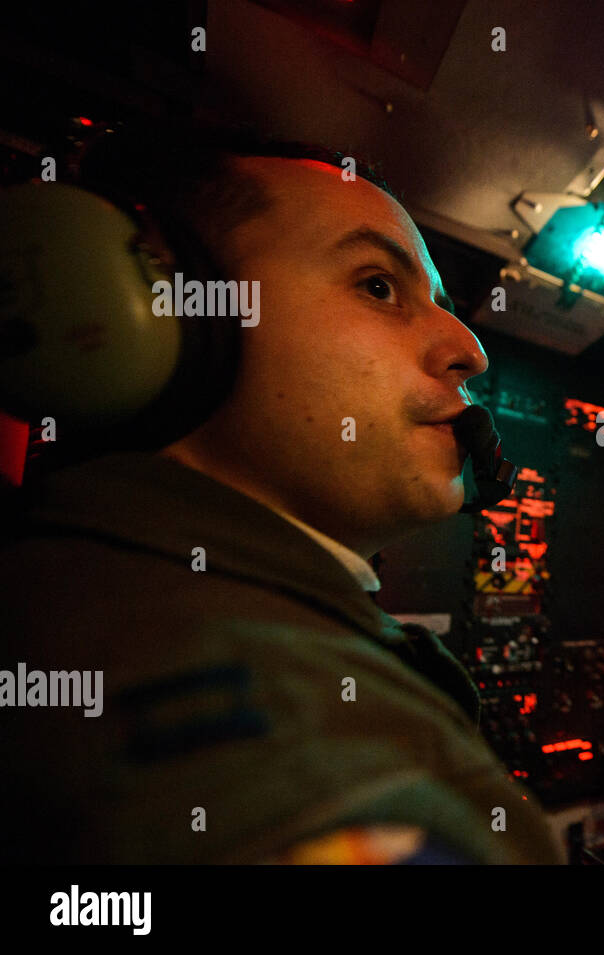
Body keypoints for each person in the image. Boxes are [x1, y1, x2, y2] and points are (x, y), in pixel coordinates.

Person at [0, 127, 562, 864]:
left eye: (441, 300)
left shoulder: (107, 584)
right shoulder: (270, 719)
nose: (470, 350)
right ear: (176, 313)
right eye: (377, 286)